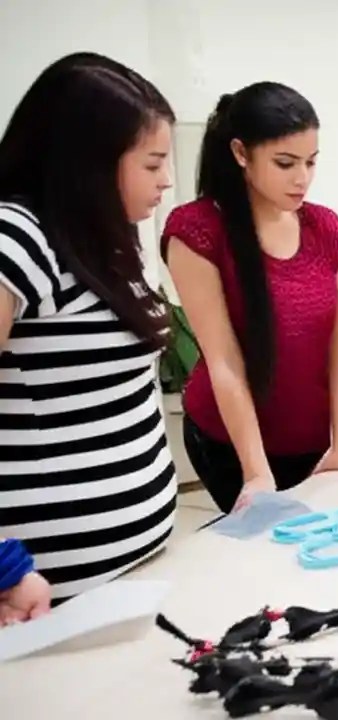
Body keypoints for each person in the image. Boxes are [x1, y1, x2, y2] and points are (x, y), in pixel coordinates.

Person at [0, 52, 178, 609]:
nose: (166, 181)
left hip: (124, 577)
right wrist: (4, 569)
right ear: (90, 162)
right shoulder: (17, 237)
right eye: (152, 165)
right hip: (41, 598)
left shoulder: (103, 243)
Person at [164, 82, 338, 514]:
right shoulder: (197, 231)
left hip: (311, 440)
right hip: (231, 444)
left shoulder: (324, 228)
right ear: (240, 153)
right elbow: (223, 361)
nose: (302, 177)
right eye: (285, 163)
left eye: (311, 162)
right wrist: (255, 471)